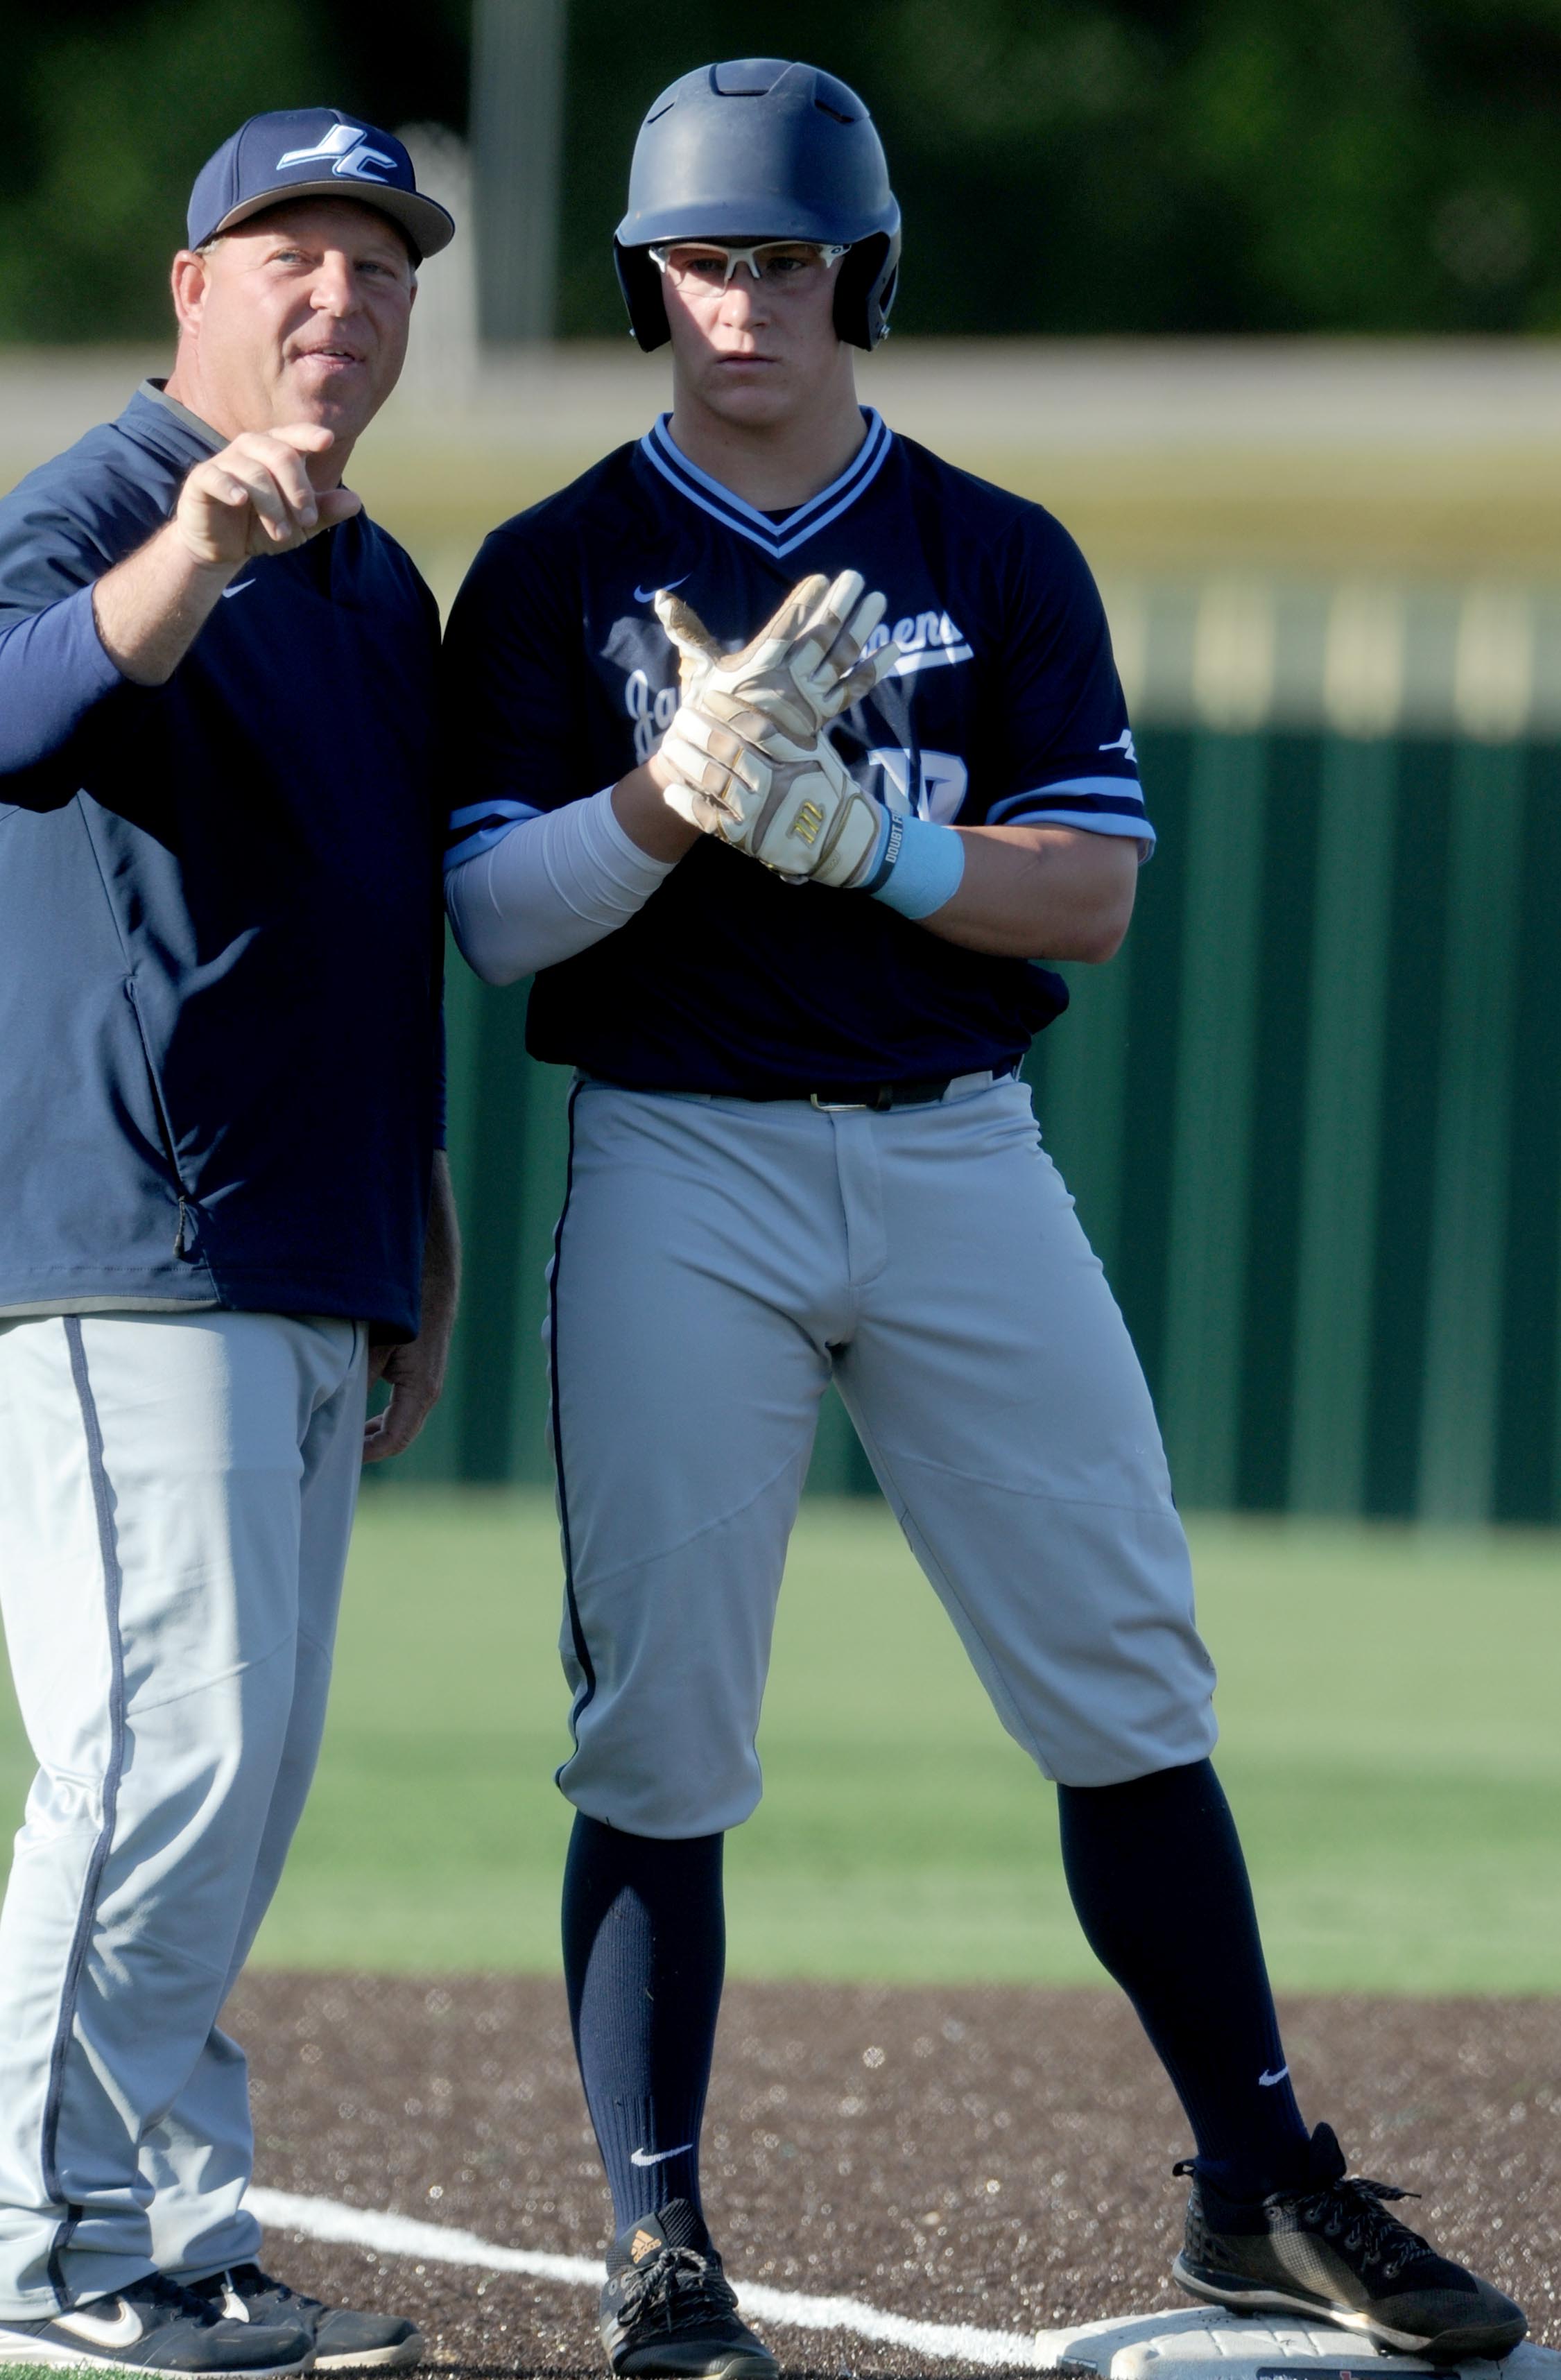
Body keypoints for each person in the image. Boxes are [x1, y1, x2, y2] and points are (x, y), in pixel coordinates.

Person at [442, 59, 1524, 2380]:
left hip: (954, 1150)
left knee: (1124, 1678)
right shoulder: (548, 568)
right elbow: (497, 925)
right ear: (644, 280)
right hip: (682, 1155)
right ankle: (660, 2241)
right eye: (703, 259)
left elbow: (1096, 896)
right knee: (661, 1730)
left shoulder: (991, 546)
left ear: (866, 272)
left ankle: (1257, 2182)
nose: (744, 300)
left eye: (786, 255)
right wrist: (672, 796)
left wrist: (878, 850)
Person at [0, 110, 459, 2376]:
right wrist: (184, 549)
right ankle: (43, 2258)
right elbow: (10, 708)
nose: (339, 300)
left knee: (238, 1777)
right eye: (291, 251)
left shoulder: (385, 584)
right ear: (191, 281)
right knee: (156, 1760)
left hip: (311, 1235)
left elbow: (366, 922)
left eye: (380, 268)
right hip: (127, 1234)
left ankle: (166, 2235)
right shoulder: (101, 496)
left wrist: (422, 1210)